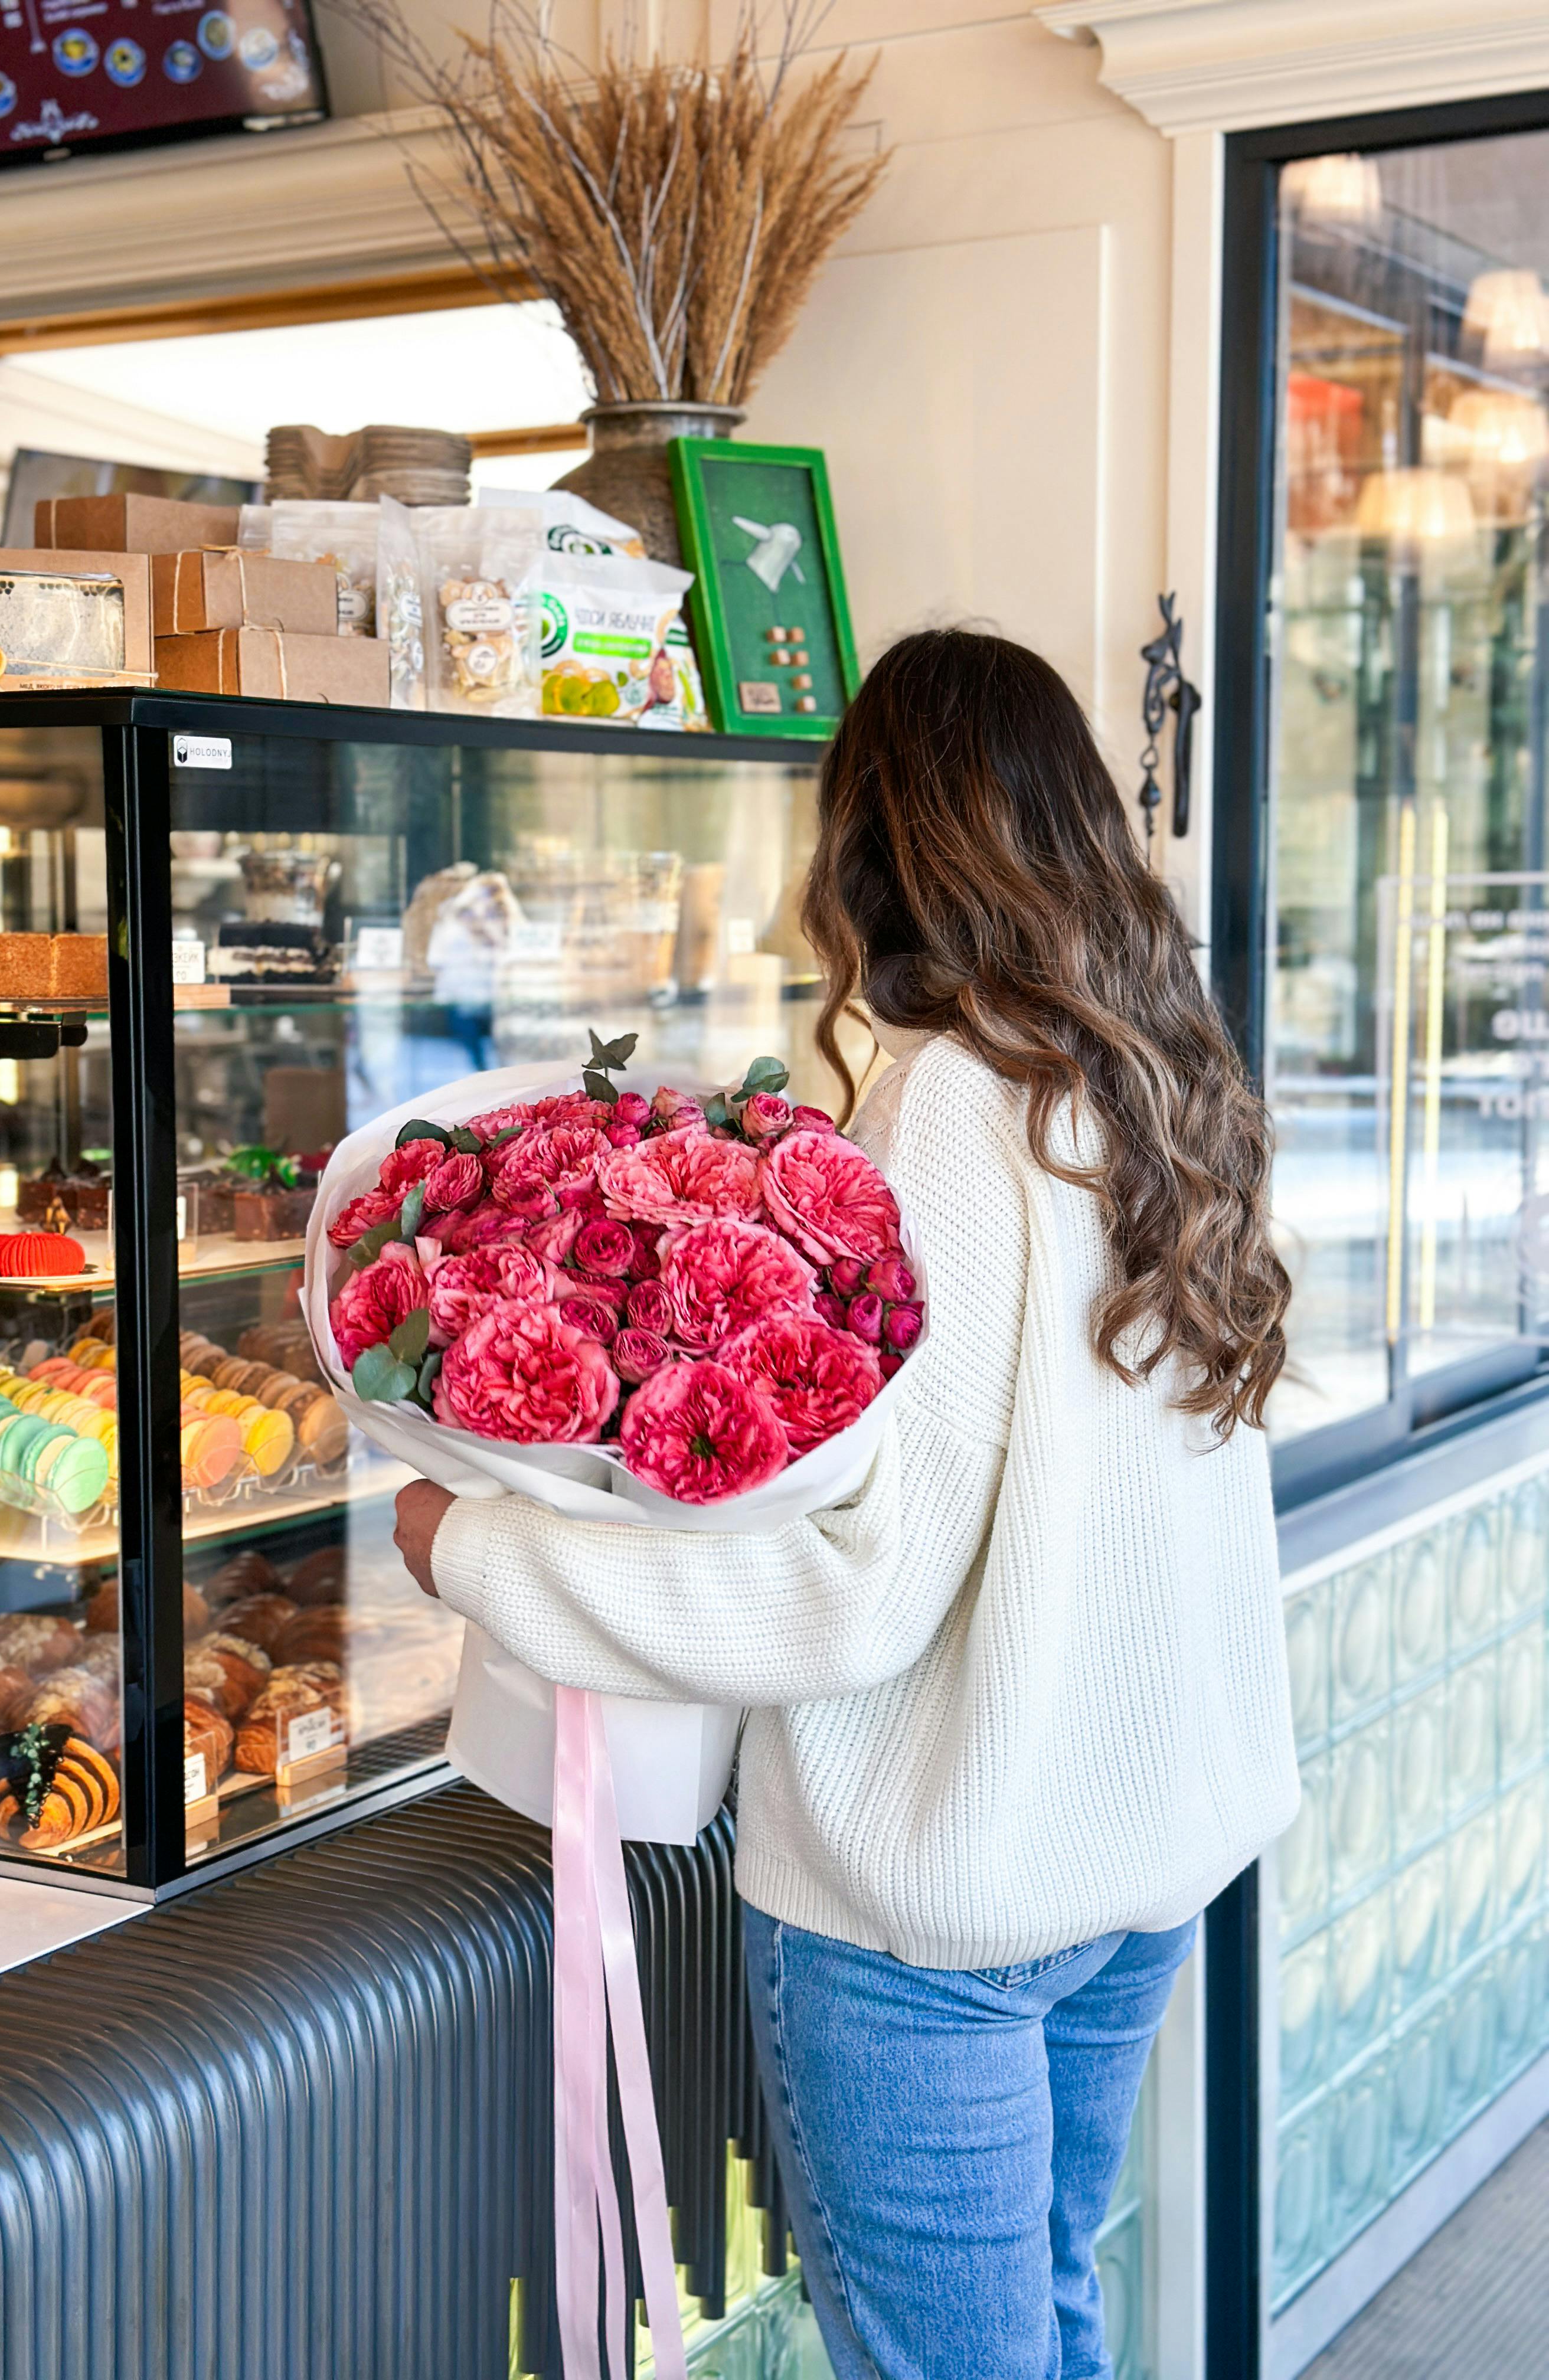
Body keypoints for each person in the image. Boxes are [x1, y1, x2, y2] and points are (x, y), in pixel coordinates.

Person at [391, 627, 1300, 2380]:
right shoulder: (1157, 1078)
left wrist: (478, 1545)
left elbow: (849, 1594)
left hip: (940, 1913)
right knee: (1047, 2316)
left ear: (873, 840)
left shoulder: (953, 1107)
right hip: (1133, 1879)